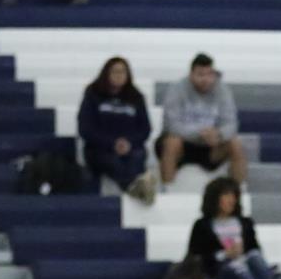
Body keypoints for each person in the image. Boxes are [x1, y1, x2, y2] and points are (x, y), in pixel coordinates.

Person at [186, 178, 281, 279]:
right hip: (221, 268)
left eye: (234, 195)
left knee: (256, 258)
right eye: (226, 195)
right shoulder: (202, 225)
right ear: (215, 198)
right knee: (238, 269)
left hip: (246, 262)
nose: (231, 200)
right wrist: (224, 254)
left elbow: (255, 248)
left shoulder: (245, 222)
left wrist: (242, 251)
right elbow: (196, 255)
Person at [158, 54, 247, 187]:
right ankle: (167, 189)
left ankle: (237, 191)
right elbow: (171, 124)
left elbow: (231, 124)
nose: (205, 79)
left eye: (209, 75)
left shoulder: (223, 90)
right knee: (171, 142)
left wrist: (219, 134)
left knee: (236, 144)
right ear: (191, 74)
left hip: (211, 146)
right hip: (183, 145)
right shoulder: (177, 89)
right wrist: (199, 133)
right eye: (200, 75)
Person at [77, 57, 155, 202]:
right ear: (106, 73)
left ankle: (137, 187)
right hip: (100, 148)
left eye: (123, 72)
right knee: (113, 161)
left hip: (130, 146)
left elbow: (145, 128)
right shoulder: (93, 94)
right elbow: (85, 129)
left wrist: (129, 143)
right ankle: (135, 188)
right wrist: (112, 143)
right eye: (115, 71)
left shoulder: (136, 97)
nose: (119, 75)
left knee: (137, 156)